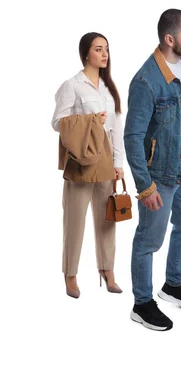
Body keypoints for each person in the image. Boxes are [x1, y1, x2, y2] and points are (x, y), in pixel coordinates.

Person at [124, 9, 181, 331]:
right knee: (149, 240)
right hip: (159, 175)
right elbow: (132, 136)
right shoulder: (146, 81)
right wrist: (145, 187)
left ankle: (174, 284)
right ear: (169, 39)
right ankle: (142, 303)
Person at [52, 32, 124, 299]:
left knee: (107, 219)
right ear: (85, 53)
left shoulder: (110, 87)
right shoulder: (73, 85)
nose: (104, 54)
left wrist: (119, 163)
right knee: (74, 221)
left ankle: (108, 271)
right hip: (81, 159)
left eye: (106, 49)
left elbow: (117, 128)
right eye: (98, 49)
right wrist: (91, 120)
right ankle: (70, 276)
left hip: (105, 156)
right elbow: (58, 122)